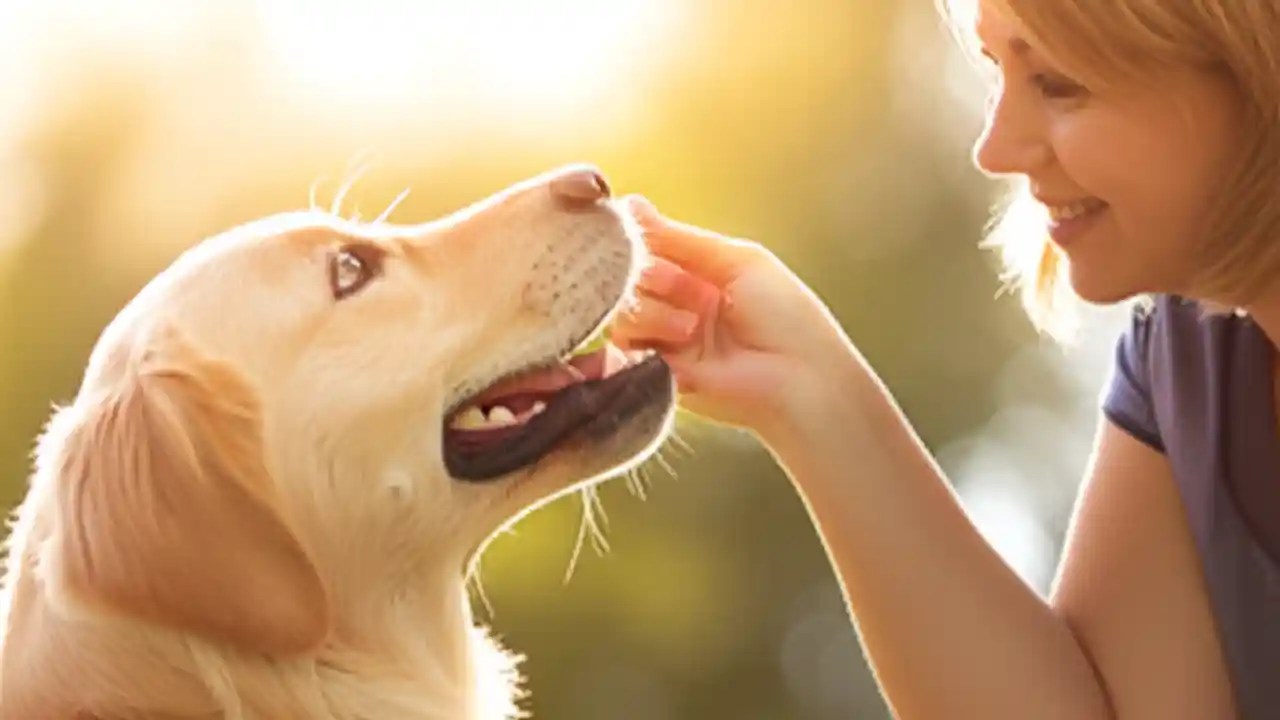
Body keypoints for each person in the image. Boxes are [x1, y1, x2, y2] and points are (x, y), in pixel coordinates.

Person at [607, 0, 1280, 717]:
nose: (995, 147)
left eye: (1057, 83)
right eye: (996, 73)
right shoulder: (1187, 362)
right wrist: (809, 391)